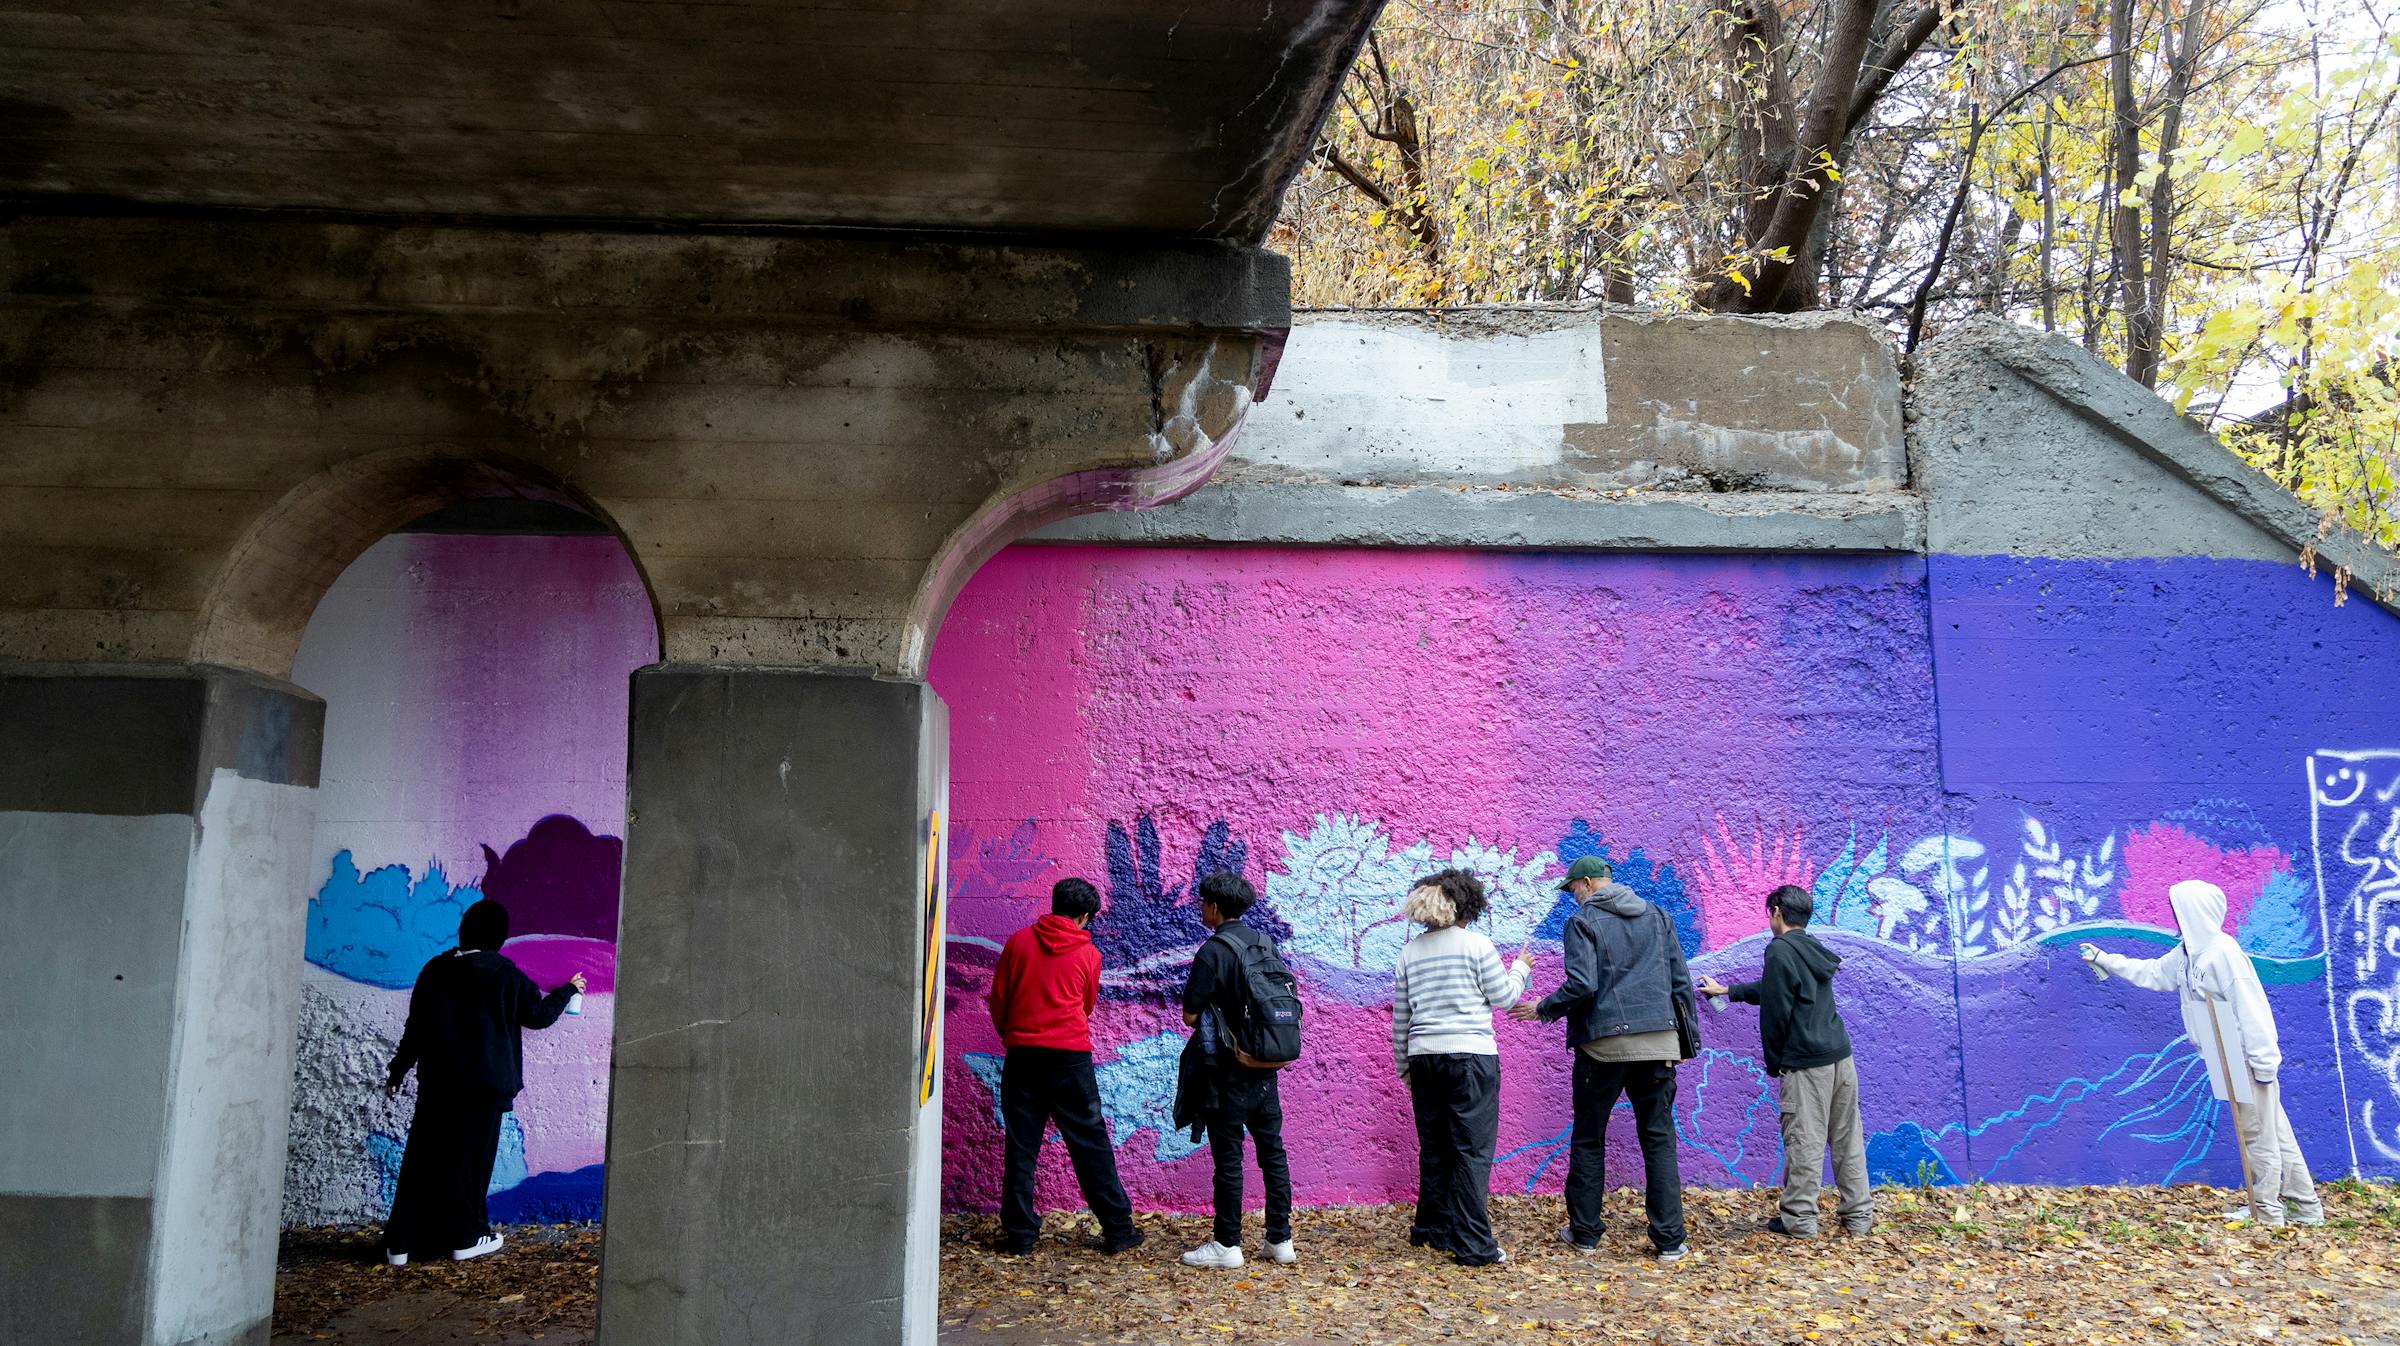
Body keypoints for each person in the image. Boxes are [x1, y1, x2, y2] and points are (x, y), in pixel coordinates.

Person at [2081, 878, 2324, 1227]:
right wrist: (2105, 959)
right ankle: (2306, 1206)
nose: (2175, 917)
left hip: (2242, 1055)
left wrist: (2263, 1063)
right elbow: (2153, 973)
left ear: (2195, 912)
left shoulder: (2224, 954)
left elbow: (2252, 1009)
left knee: (2257, 1134)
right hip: (2219, 1050)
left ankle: (2267, 1211)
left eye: (2179, 910)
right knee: (2273, 1130)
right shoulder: (2186, 954)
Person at [1508, 855, 1694, 1261]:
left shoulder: (1582, 922)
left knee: (1589, 1137)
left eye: (1573, 888)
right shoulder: (1658, 916)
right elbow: (1679, 979)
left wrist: (1543, 1007)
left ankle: (1586, 1233)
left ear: (1589, 883)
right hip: (1659, 1043)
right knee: (1659, 1139)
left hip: (1602, 1047)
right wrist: (1684, 1043)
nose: (1572, 896)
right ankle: (1669, 1240)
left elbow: (1583, 985)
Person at [382, 898, 584, 1267]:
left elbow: (416, 1028)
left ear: (464, 930)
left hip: (438, 1084)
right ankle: (467, 1237)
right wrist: (568, 991)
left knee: (422, 1160)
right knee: (470, 1165)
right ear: (499, 937)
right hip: (485, 1088)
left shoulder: (435, 970)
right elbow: (538, 1017)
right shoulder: (507, 975)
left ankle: (400, 1244)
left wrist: (398, 1070)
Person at [1696, 884, 1873, 1239]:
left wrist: (1776, 1062)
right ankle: (1859, 1218)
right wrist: (1729, 991)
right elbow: (1776, 988)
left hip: (1806, 1063)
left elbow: (1776, 1012)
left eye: (1769, 914)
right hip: (1840, 1056)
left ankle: (1799, 1220)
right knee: (1847, 1138)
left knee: (1804, 1140)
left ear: (1777, 911)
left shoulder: (1779, 949)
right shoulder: (1811, 948)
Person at [988, 877, 1144, 1256]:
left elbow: (999, 1000)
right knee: (1090, 1143)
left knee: (1022, 1145)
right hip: (1070, 1058)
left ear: (1054, 904)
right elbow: (1086, 1005)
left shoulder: (1018, 943)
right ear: (1085, 916)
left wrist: (1016, 1035)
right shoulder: (1089, 954)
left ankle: (1020, 1235)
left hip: (1023, 1055)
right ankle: (1118, 1229)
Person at [1392, 867, 1531, 1266]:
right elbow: (1505, 997)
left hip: (1423, 1058)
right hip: (1470, 1056)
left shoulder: (1410, 953)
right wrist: (1521, 967)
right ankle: (1473, 1244)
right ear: (1470, 905)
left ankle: (1432, 1229)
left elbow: (1401, 1019)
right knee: (1471, 1151)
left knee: (1435, 1148)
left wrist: (1405, 1067)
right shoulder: (1477, 945)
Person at [1177, 872, 1296, 1269]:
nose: (1200, 908)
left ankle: (1227, 1244)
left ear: (1214, 906)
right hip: (1264, 1067)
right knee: (1272, 1153)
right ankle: (1280, 1239)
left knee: (1228, 1158)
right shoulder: (1265, 943)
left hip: (1226, 1072)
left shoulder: (1212, 952)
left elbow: (1190, 1015)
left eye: (1202, 902)